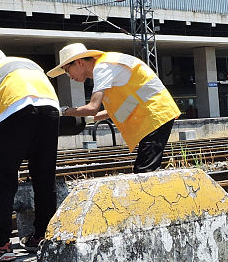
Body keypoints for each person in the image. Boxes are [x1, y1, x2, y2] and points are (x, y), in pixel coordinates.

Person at [0, 48, 61, 261]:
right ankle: (43, 237)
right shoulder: (25, 61)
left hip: (17, 111)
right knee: (44, 177)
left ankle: (1, 245)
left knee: (1, 179)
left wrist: (6, 131)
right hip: (51, 110)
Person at [49, 43, 181, 173]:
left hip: (155, 115)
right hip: (156, 114)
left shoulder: (103, 67)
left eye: (67, 71)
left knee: (145, 172)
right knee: (145, 170)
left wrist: (62, 111)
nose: (70, 77)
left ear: (79, 62)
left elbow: (92, 107)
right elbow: (118, 110)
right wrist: (88, 120)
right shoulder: (107, 65)